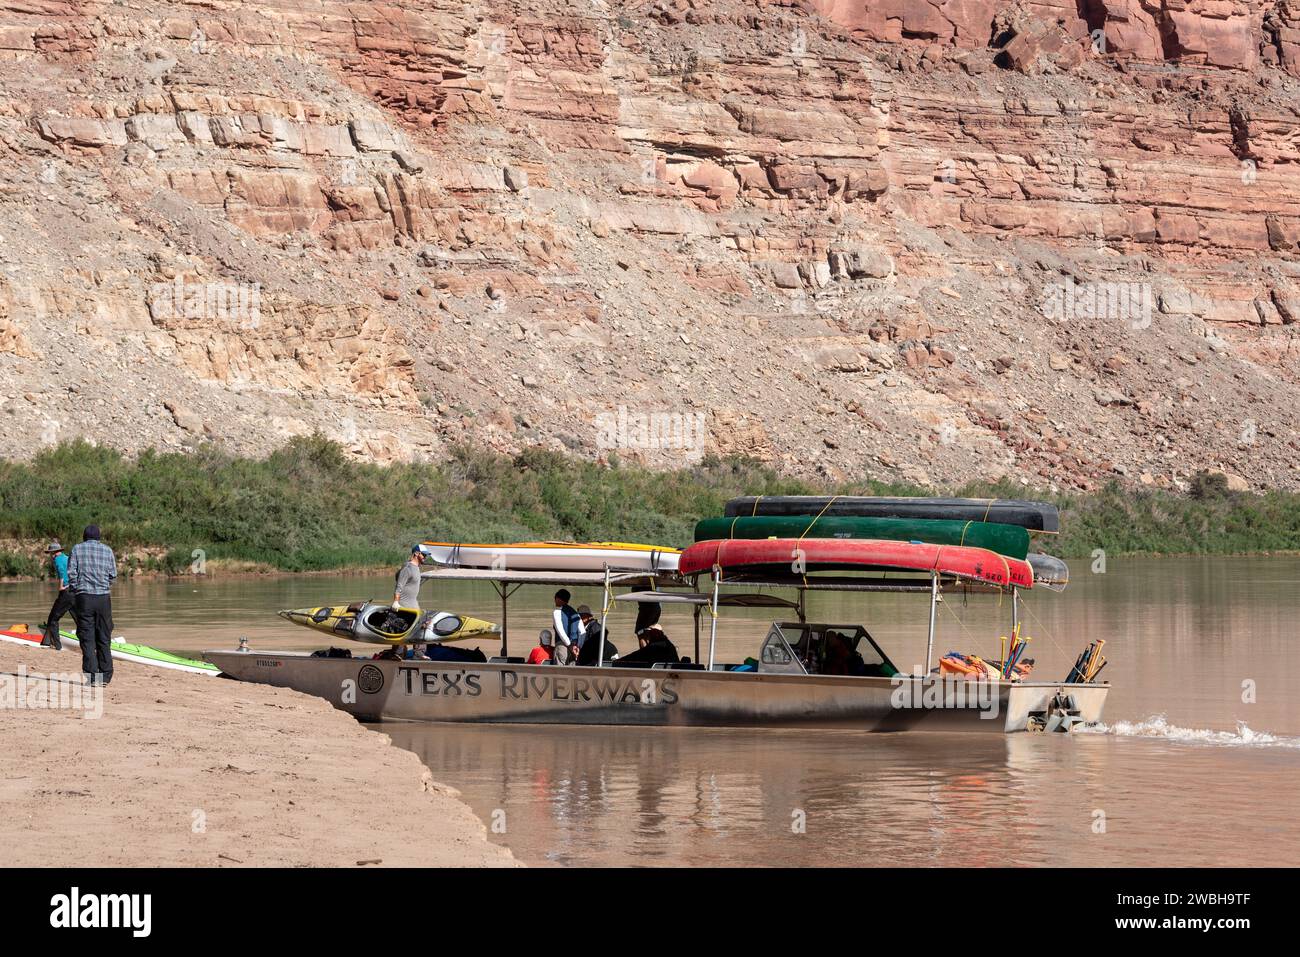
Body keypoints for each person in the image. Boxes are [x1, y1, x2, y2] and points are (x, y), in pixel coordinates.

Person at [67, 525, 116, 686]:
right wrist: (103, 584)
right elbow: (113, 575)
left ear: (84, 536)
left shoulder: (76, 549)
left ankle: (93, 676)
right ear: (99, 537)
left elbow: (71, 573)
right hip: (103, 599)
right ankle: (106, 675)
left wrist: (76, 588)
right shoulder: (107, 550)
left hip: (84, 598)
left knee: (87, 638)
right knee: (104, 636)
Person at [40, 541, 71, 650]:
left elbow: (62, 573)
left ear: (53, 553)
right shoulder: (67, 558)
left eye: (50, 553)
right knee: (80, 620)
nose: (50, 555)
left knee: (53, 619)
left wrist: (61, 587)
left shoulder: (57, 560)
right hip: (75, 591)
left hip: (66, 592)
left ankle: (57, 645)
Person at [612, 623, 678, 667]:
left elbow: (635, 656)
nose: (648, 635)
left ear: (658, 633)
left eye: (650, 632)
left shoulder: (655, 647)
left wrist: (616, 662)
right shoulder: (669, 645)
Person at [551, 589, 582, 665]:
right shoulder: (576, 613)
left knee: (559, 674)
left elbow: (560, 631)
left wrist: (569, 645)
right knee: (571, 674)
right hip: (575, 648)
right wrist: (578, 646)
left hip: (562, 646)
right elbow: (582, 632)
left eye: (555, 599)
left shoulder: (557, 612)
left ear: (558, 598)